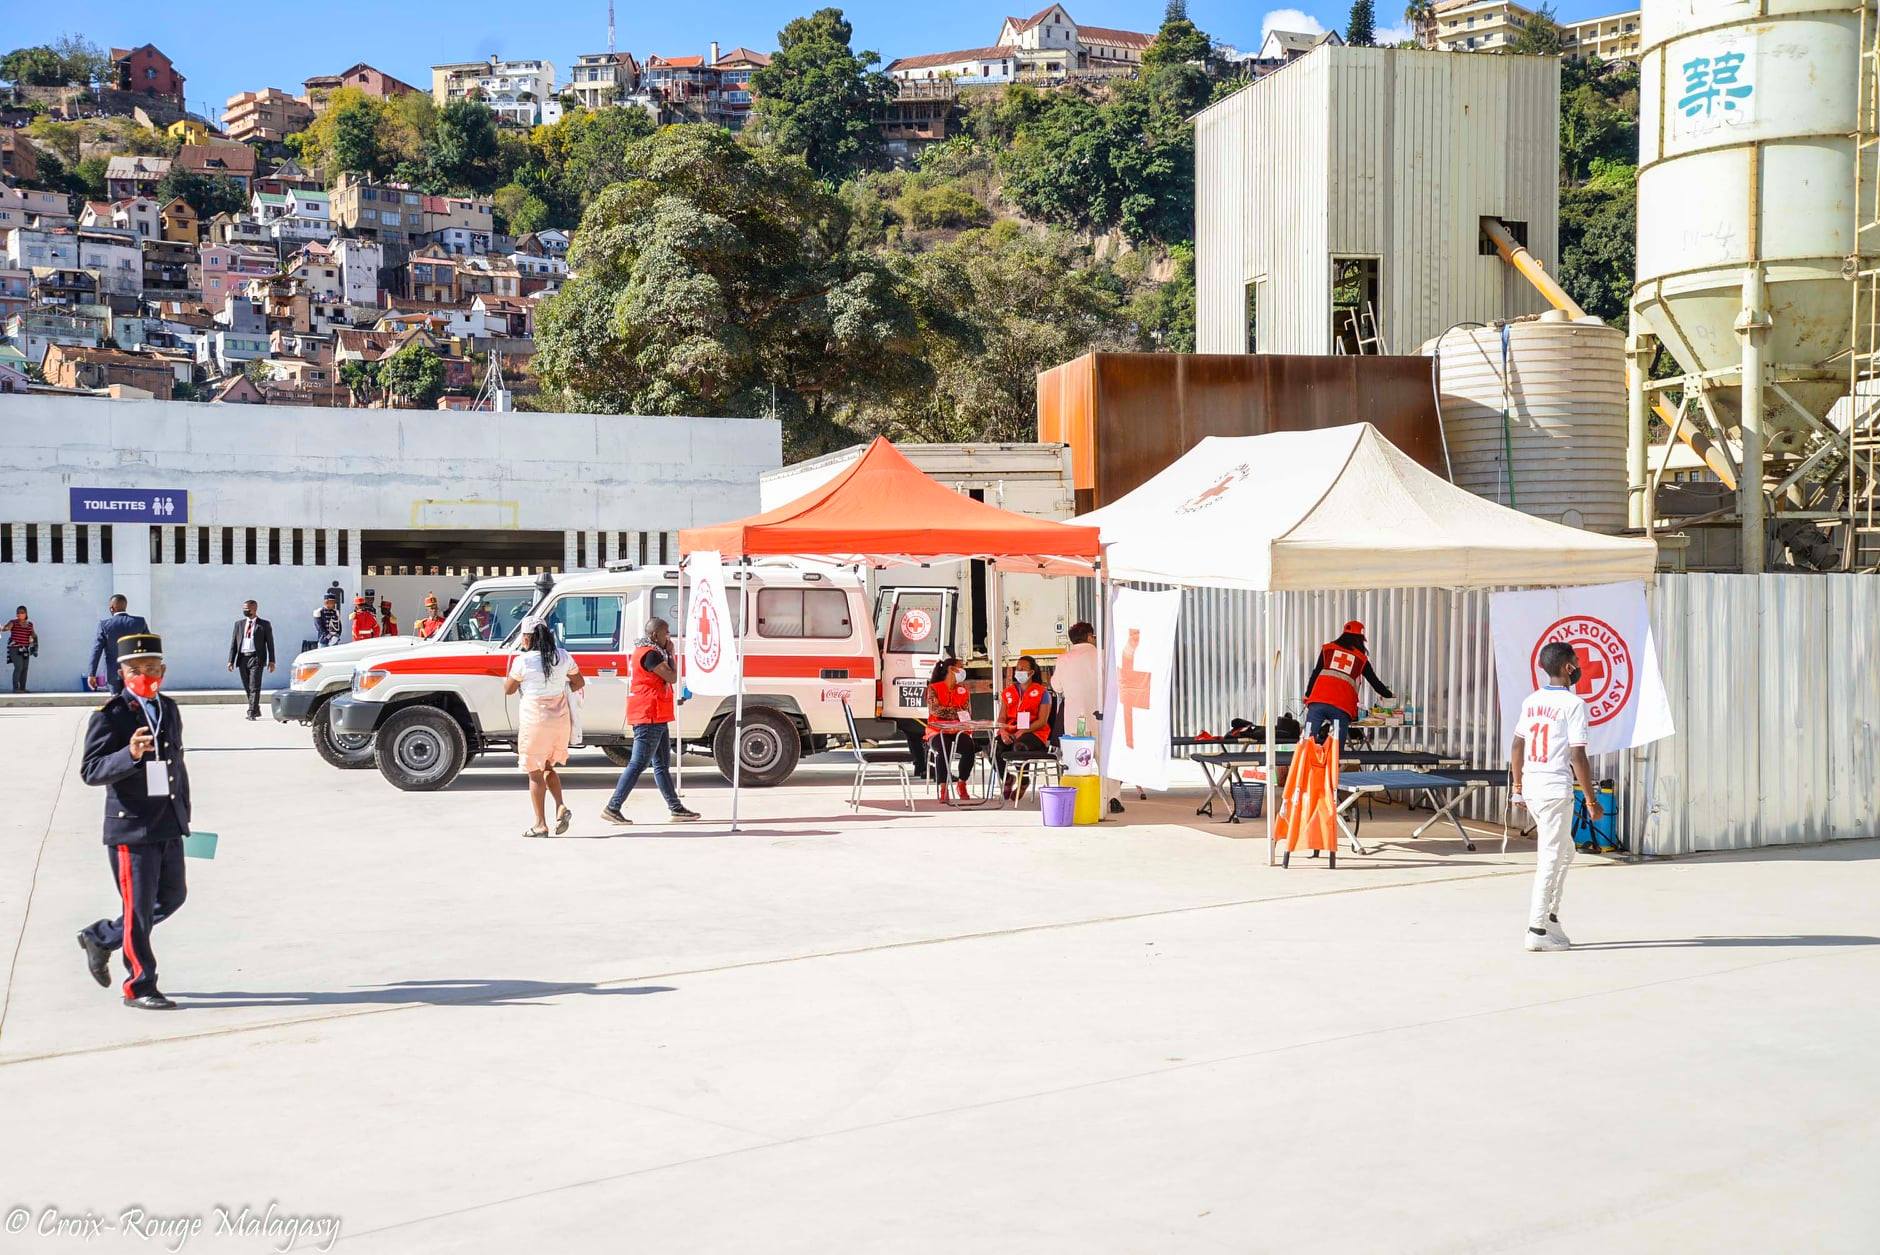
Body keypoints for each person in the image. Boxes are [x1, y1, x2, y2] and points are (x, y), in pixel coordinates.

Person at [75, 633, 192, 1010]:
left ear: (163, 670)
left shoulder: (169, 708)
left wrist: (184, 816)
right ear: (121, 673)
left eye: (152, 668)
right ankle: (140, 985)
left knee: (173, 897)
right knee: (138, 910)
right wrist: (130, 754)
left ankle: (102, 937)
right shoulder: (111, 715)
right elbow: (91, 770)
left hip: (168, 822)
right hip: (132, 827)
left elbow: (177, 766)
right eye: (136, 669)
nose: (145, 675)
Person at [1510, 642, 1601, 954]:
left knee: (1566, 850)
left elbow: (1517, 746)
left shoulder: (1531, 700)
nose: (1579, 666)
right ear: (1567, 668)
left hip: (1533, 786)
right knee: (1550, 856)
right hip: (1553, 788)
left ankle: (1550, 917)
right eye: (1576, 661)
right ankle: (1537, 928)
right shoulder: (1574, 704)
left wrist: (1518, 787)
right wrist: (1591, 800)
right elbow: (1578, 756)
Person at [601, 617, 700, 824]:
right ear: (655, 635)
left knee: (661, 765)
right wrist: (671, 654)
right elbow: (672, 677)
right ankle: (613, 807)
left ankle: (676, 808)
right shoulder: (651, 654)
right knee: (638, 763)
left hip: (657, 715)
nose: (669, 636)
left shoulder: (650, 651)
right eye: (666, 632)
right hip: (649, 715)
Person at [503, 616, 585, 838]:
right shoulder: (563, 656)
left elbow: (508, 689)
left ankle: (540, 824)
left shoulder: (523, 661)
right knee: (548, 766)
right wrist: (559, 686)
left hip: (535, 720)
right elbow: (578, 682)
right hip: (559, 720)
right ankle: (560, 805)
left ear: (527, 638)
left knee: (535, 773)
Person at [1050, 621, 1122, 815]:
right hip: (1101, 715)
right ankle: (1113, 798)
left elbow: (1057, 686)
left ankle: (1079, 800)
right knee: (1105, 757)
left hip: (1075, 719)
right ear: (1090, 637)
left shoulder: (1063, 659)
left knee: (1077, 761)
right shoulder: (1102, 655)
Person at [1301, 619, 1393, 743]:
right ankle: (1334, 755)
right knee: (1336, 746)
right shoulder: (1361, 659)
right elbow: (1375, 683)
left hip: (1318, 703)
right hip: (1341, 707)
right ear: (1360, 639)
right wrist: (1389, 695)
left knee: (1307, 740)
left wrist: (1308, 694)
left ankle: (1307, 755)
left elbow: (1315, 673)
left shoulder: (1328, 650)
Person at [996, 655, 1054, 802]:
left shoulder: (1042, 692)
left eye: (1023, 669)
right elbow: (1001, 717)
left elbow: (1042, 720)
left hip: (1035, 733)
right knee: (995, 747)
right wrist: (1003, 731)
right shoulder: (1008, 692)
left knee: (1019, 746)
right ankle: (1007, 778)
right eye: (1017, 668)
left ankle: (1023, 781)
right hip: (1011, 730)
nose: (1019, 671)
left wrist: (1023, 731)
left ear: (1031, 672)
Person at [924, 656, 977, 801]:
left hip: (958, 730)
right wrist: (956, 711)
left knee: (969, 747)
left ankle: (962, 783)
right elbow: (935, 710)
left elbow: (967, 713)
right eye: (961, 667)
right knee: (943, 747)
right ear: (952, 669)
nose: (963, 670)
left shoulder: (963, 690)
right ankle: (943, 787)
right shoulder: (933, 688)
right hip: (936, 731)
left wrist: (951, 712)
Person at [87, 594, 150, 693]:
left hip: (113, 674)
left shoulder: (104, 625)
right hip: (135, 672)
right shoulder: (139, 622)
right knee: (134, 700)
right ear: (125, 606)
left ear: (111, 608)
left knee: (116, 700)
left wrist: (92, 674)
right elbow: (149, 646)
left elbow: (97, 650)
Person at [225, 599, 276, 719]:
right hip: (242, 658)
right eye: (243, 608)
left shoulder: (264, 624)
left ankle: (251, 711)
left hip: (256, 658)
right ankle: (256, 708)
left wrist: (272, 661)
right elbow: (234, 644)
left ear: (254, 609)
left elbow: (270, 643)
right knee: (247, 686)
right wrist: (230, 660)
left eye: (247, 609)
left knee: (254, 686)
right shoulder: (239, 624)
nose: (245, 611)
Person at [7, 605, 37, 693]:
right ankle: (15, 688)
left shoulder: (30, 624)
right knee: (18, 667)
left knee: (25, 668)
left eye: (21, 612)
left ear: (26, 614)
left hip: (25, 649)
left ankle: (23, 688)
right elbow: (7, 627)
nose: (19, 614)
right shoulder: (13, 622)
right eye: (18, 612)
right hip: (15, 648)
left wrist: (34, 645)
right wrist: (2, 628)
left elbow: (34, 635)